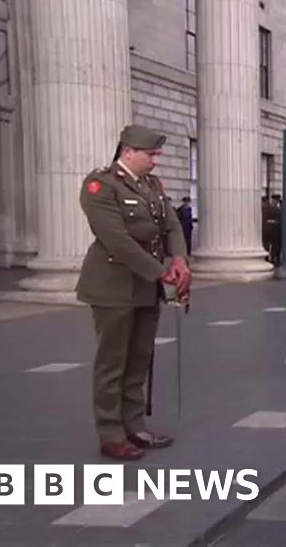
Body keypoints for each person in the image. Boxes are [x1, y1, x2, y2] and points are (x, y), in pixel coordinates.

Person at [76, 124, 191, 461]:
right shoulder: (101, 185)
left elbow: (171, 224)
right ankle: (111, 433)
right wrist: (162, 272)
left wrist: (180, 259)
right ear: (128, 151)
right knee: (113, 362)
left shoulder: (151, 185)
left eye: (156, 154)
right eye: (150, 154)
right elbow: (117, 240)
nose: (156, 161)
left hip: (145, 285)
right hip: (113, 285)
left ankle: (134, 425)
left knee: (140, 358)